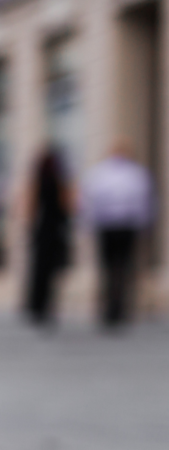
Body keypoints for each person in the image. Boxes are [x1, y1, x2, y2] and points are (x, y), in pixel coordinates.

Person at [81, 139, 155, 329]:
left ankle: (119, 308)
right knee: (111, 268)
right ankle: (111, 308)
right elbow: (90, 201)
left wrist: (143, 223)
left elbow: (144, 201)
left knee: (121, 267)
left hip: (123, 225)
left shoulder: (134, 173)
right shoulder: (104, 173)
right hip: (109, 225)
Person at [23, 147, 73, 327]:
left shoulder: (39, 181)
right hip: (54, 230)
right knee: (50, 272)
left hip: (42, 229)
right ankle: (45, 307)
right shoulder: (60, 182)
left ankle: (37, 306)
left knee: (39, 271)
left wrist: (30, 227)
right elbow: (67, 207)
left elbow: (31, 207)